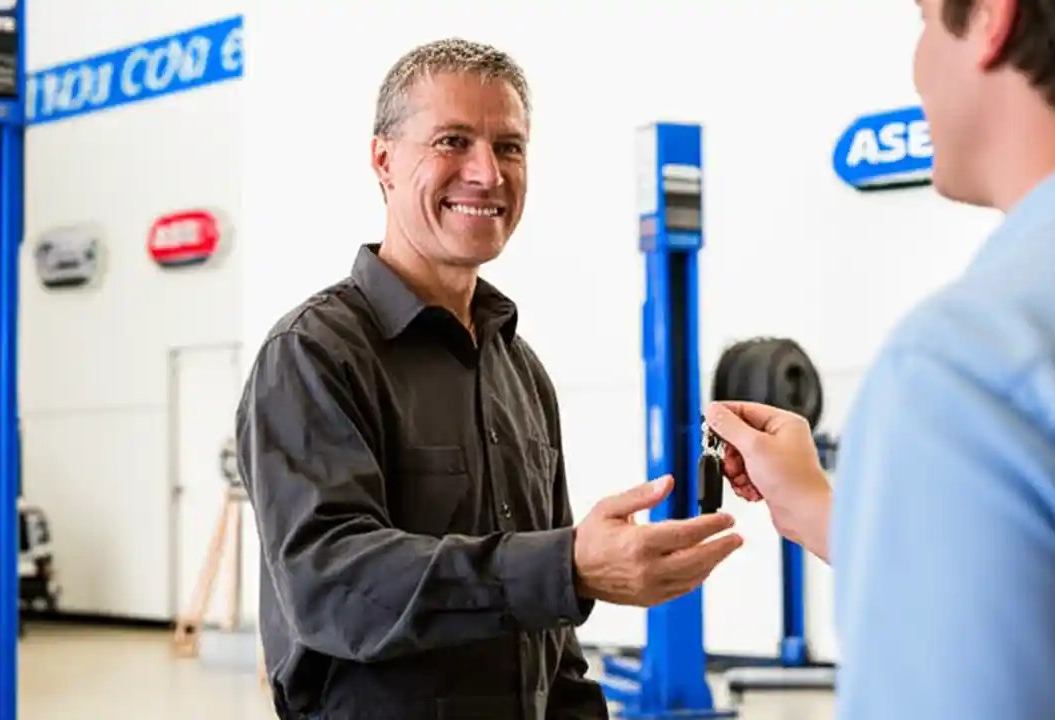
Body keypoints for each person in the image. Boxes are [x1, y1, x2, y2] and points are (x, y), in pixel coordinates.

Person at [235, 38, 743, 720]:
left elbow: (549, 644)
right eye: (452, 140)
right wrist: (564, 566)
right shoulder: (315, 355)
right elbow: (334, 586)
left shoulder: (520, 370)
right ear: (383, 160)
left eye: (510, 147)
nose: (487, 173)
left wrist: (562, 591)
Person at [705, 1, 1055, 718]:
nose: (918, 61)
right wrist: (826, 514)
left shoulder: (977, 363)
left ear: (991, 18)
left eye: (922, 19)